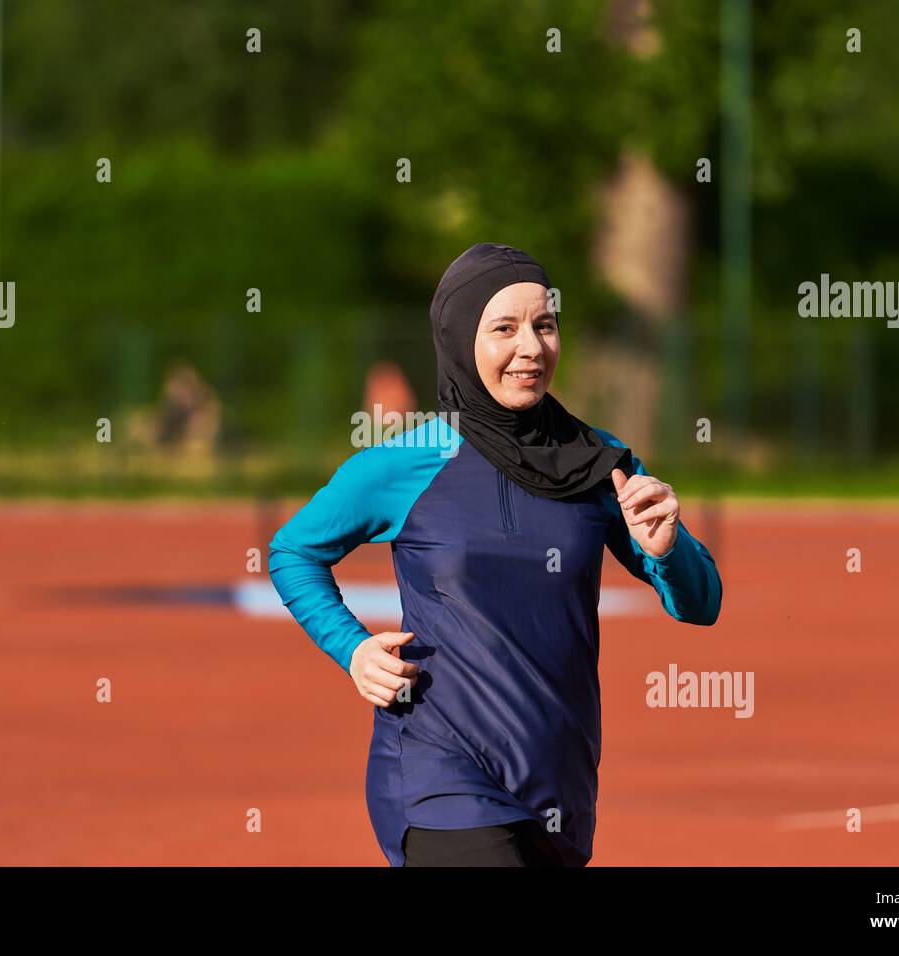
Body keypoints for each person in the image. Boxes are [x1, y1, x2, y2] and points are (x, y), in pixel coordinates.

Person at [268, 243, 722, 866]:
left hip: (558, 777)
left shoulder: (600, 463)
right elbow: (293, 550)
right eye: (504, 328)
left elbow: (702, 604)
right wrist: (351, 648)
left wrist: (668, 550)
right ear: (458, 339)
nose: (532, 347)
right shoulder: (406, 462)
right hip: (438, 770)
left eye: (546, 324)